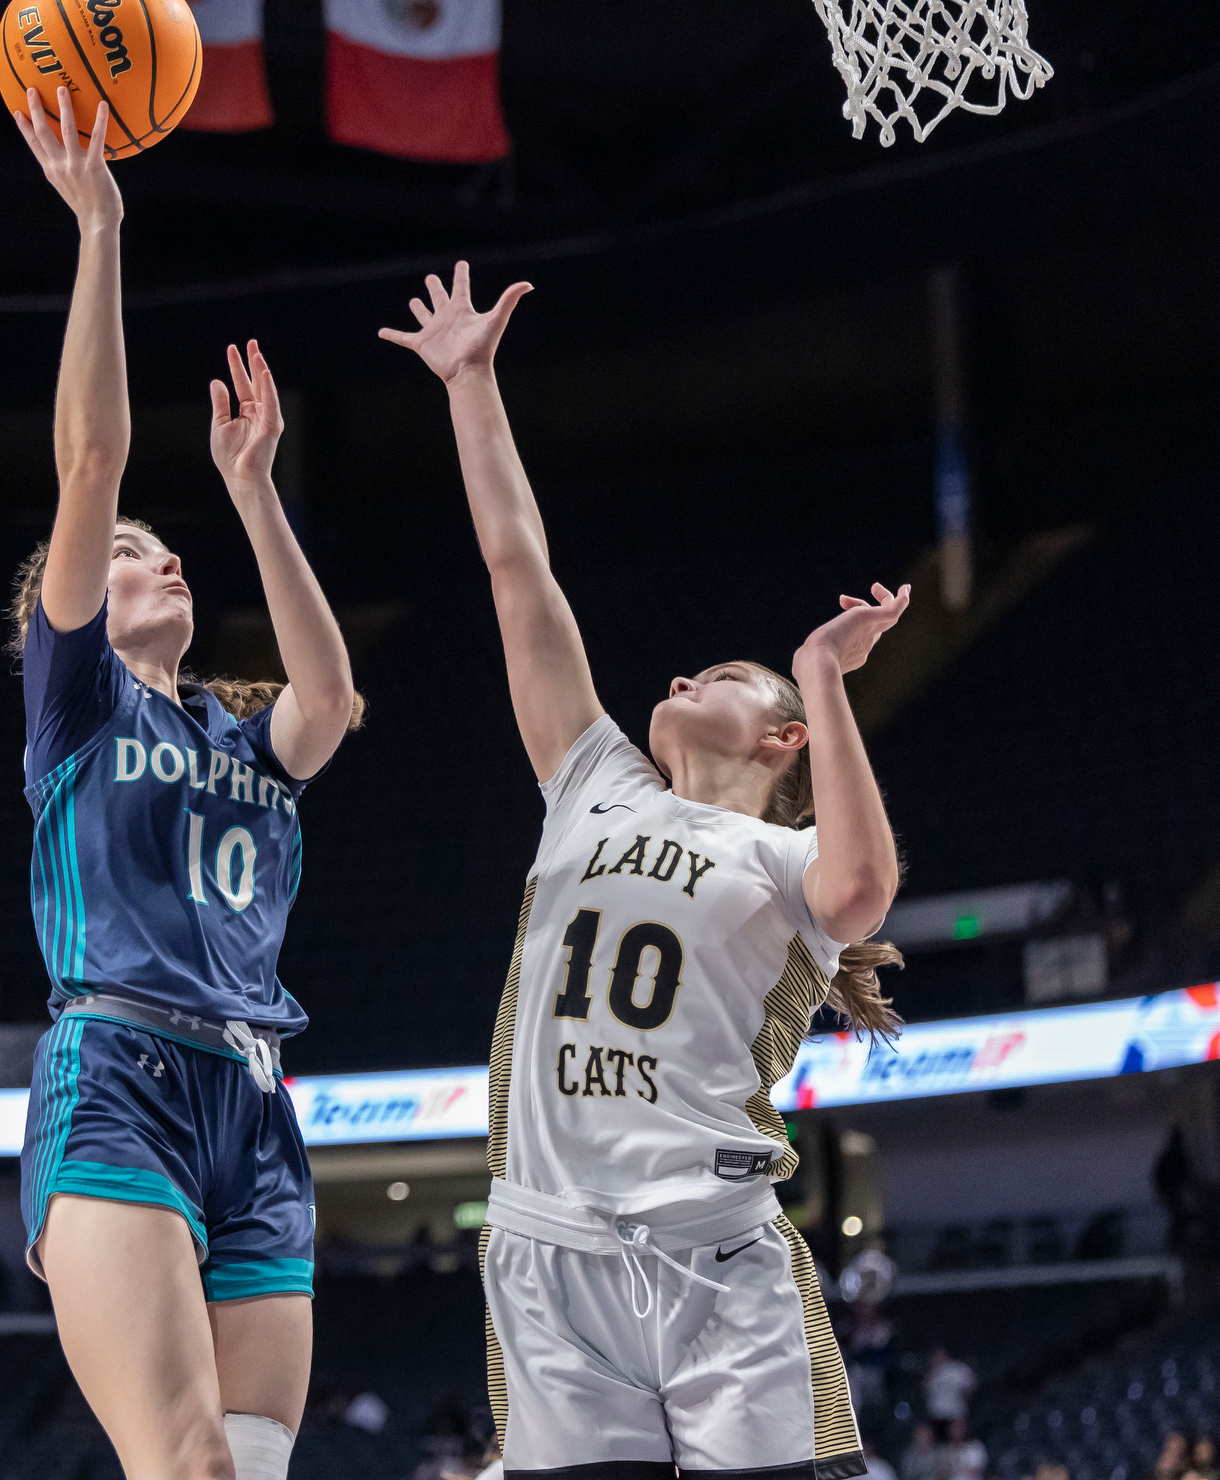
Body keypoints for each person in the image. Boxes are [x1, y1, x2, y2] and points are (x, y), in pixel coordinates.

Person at [381, 262, 906, 1480]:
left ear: (781, 739)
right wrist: (469, 386)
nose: (677, 681)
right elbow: (520, 571)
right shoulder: (592, 781)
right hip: (547, 1247)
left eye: (718, 679)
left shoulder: (782, 858)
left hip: (712, 1247)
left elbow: (864, 891)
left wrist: (821, 676)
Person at [8, 85, 363, 1480]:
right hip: (119, 1073)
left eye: (169, 552)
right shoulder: (77, 701)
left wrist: (254, 490)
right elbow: (90, 459)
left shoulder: (232, 734)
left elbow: (327, 702)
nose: (165, 561)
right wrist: (99, 226)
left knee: (254, 1474)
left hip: (257, 1099)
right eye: (136, 551)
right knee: (191, 1464)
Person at [925, 1347, 977, 1426]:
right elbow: (929, 1395)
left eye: (940, 1355)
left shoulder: (957, 1368)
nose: (938, 1358)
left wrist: (964, 1394)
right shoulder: (933, 1373)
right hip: (937, 1416)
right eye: (935, 1356)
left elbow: (971, 1385)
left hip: (956, 1414)